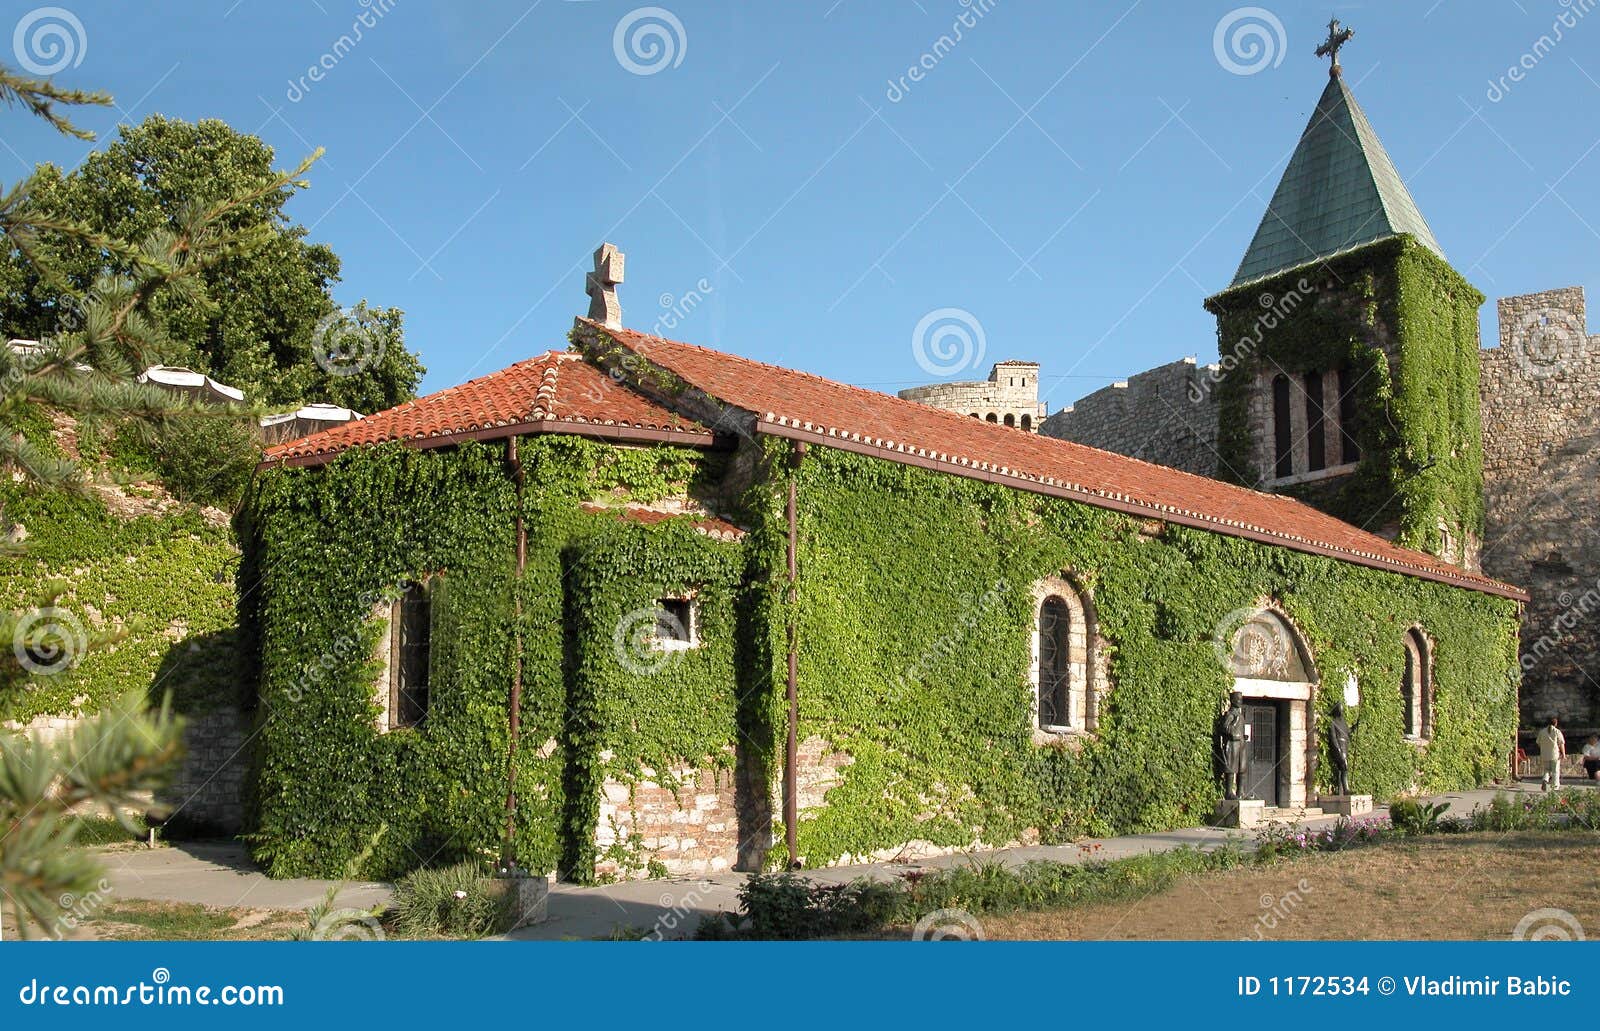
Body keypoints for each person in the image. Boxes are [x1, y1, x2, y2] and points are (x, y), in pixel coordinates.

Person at [1538, 716, 1566, 791]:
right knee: (1555, 771)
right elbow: (1561, 743)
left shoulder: (1542, 731)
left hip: (1544, 754)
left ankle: (1545, 780)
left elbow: (1538, 742)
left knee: (1546, 769)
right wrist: (1563, 753)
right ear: (1556, 723)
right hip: (1554, 754)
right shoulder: (1557, 731)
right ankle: (1555, 787)